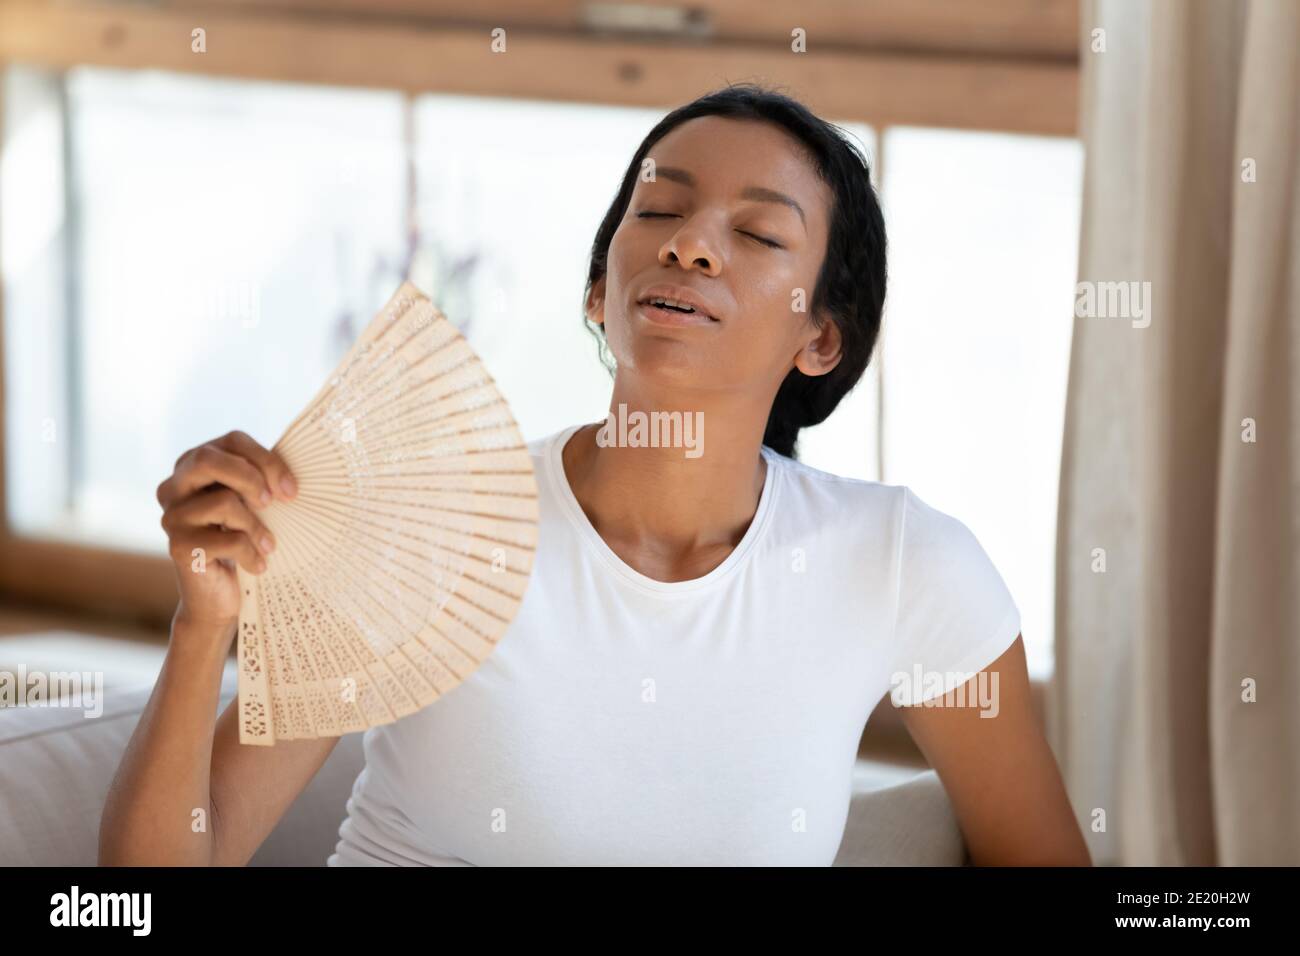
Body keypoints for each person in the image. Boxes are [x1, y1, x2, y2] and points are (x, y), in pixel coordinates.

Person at [100, 83, 1090, 867]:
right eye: (660, 208)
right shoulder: (426, 522)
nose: (687, 241)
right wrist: (204, 626)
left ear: (821, 337)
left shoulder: (904, 564)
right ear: (597, 292)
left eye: (756, 234)